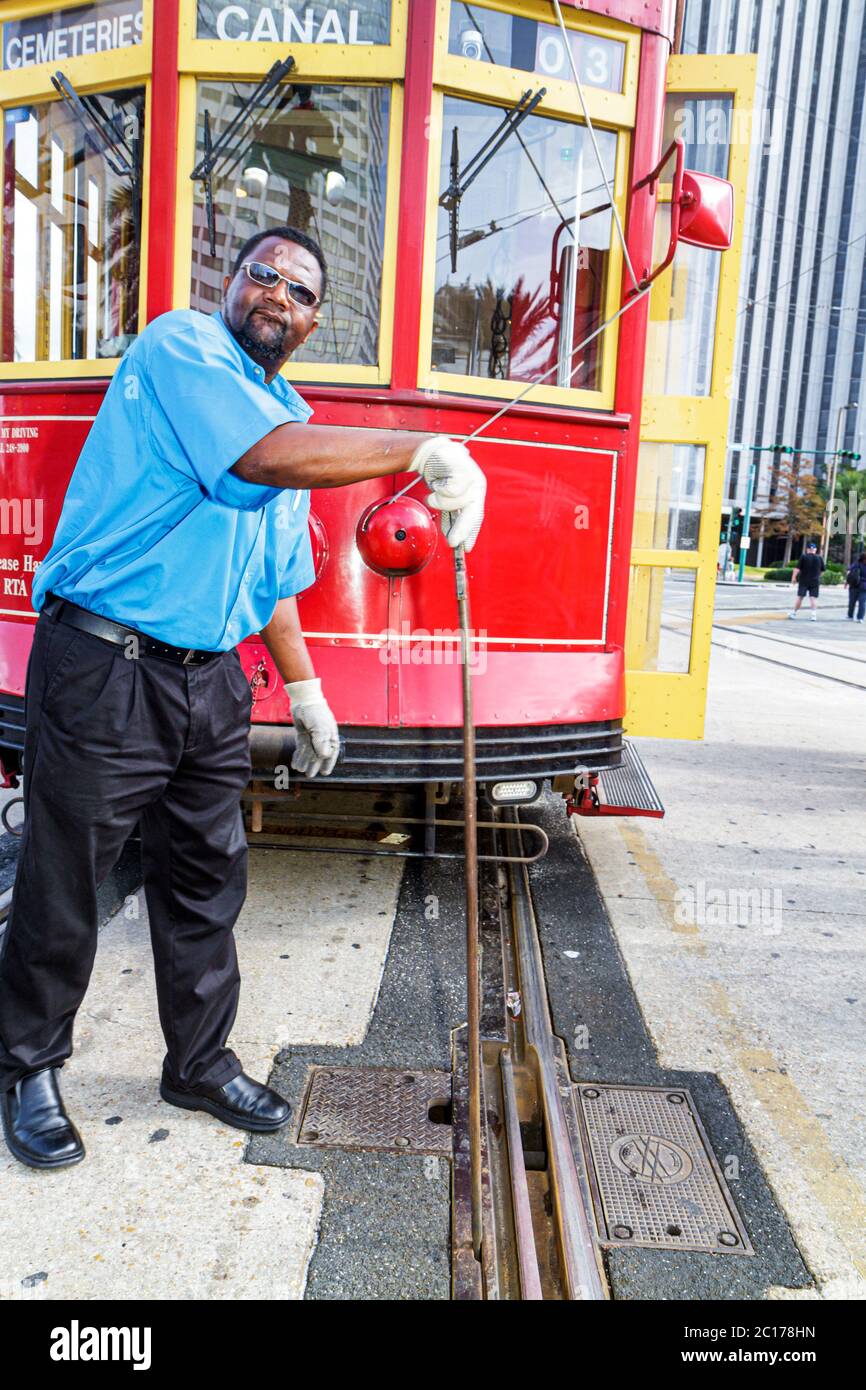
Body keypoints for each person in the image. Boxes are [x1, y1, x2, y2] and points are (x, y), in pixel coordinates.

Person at [0, 226, 486, 1171]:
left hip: (210, 682)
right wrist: (420, 447)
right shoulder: (181, 347)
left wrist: (305, 692)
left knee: (206, 882)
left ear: (312, 321)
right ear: (232, 282)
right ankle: (26, 1067)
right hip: (107, 665)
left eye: (301, 290)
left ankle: (198, 1062)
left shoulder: (289, 411)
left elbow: (271, 585)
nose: (277, 294)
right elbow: (263, 459)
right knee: (66, 882)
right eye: (263, 274)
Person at [788, 541, 825, 620]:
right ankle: (813, 615)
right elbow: (823, 571)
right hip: (815, 581)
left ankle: (794, 613)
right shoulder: (819, 558)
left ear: (807, 549)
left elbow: (797, 569)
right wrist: (818, 576)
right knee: (813, 598)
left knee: (800, 597)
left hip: (804, 580)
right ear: (815, 549)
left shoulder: (804, 557)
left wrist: (793, 578)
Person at [846, 550, 866, 621]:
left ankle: (850, 616)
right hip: (863, 586)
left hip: (854, 585)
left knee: (852, 601)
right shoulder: (857, 564)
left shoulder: (856, 563)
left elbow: (848, 571)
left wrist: (847, 581)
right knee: (862, 602)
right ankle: (860, 618)